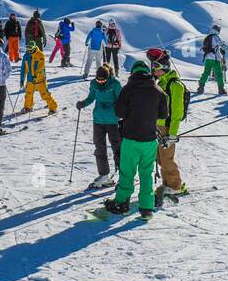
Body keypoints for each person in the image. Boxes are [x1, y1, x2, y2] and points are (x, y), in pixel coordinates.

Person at [103, 60, 168, 221]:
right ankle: (146, 208)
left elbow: (119, 112)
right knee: (146, 173)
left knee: (127, 172)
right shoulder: (157, 90)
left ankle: (121, 203)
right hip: (150, 140)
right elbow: (163, 114)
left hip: (131, 139)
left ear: (133, 73)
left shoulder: (128, 89)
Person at [150, 47, 189, 198]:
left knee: (167, 158)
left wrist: (172, 134)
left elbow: (177, 112)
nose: (154, 70)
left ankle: (175, 186)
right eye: (154, 67)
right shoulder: (161, 83)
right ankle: (167, 183)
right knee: (160, 158)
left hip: (167, 127)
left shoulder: (175, 85)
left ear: (165, 67)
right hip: (158, 126)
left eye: (157, 67)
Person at [77, 64, 122, 189]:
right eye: (98, 80)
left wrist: (120, 112)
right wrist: (83, 103)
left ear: (108, 78)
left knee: (117, 148)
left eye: (103, 80)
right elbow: (91, 98)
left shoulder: (115, 85)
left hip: (112, 120)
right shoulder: (94, 84)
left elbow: (121, 101)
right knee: (99, 147)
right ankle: (104, 175)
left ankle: (123, 175)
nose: (100, 82)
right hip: (98, 120)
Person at [21, 40, 58, 115]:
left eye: (30, 48)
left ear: (34, 47)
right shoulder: (26, 56)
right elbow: (23, 68)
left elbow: (41, 67)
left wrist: (36, 75)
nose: (29, 50)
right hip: (30, 79)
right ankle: (28, 107)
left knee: (44, 94)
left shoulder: (40, 55)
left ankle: (53, 107)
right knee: (28, 94)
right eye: (28, 48)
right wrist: (22, 79)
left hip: (40, 79)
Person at [196, 24, 228, 94]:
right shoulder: (215, 37)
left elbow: (213, 46)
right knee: (219, 74)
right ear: (217, 30)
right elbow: (222, 45)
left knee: (206, 73)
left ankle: (200, 87)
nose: (219, 31)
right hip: (216, 59)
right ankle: (221, 89)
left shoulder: (208, 37)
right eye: (219, 30)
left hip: (208, 58)